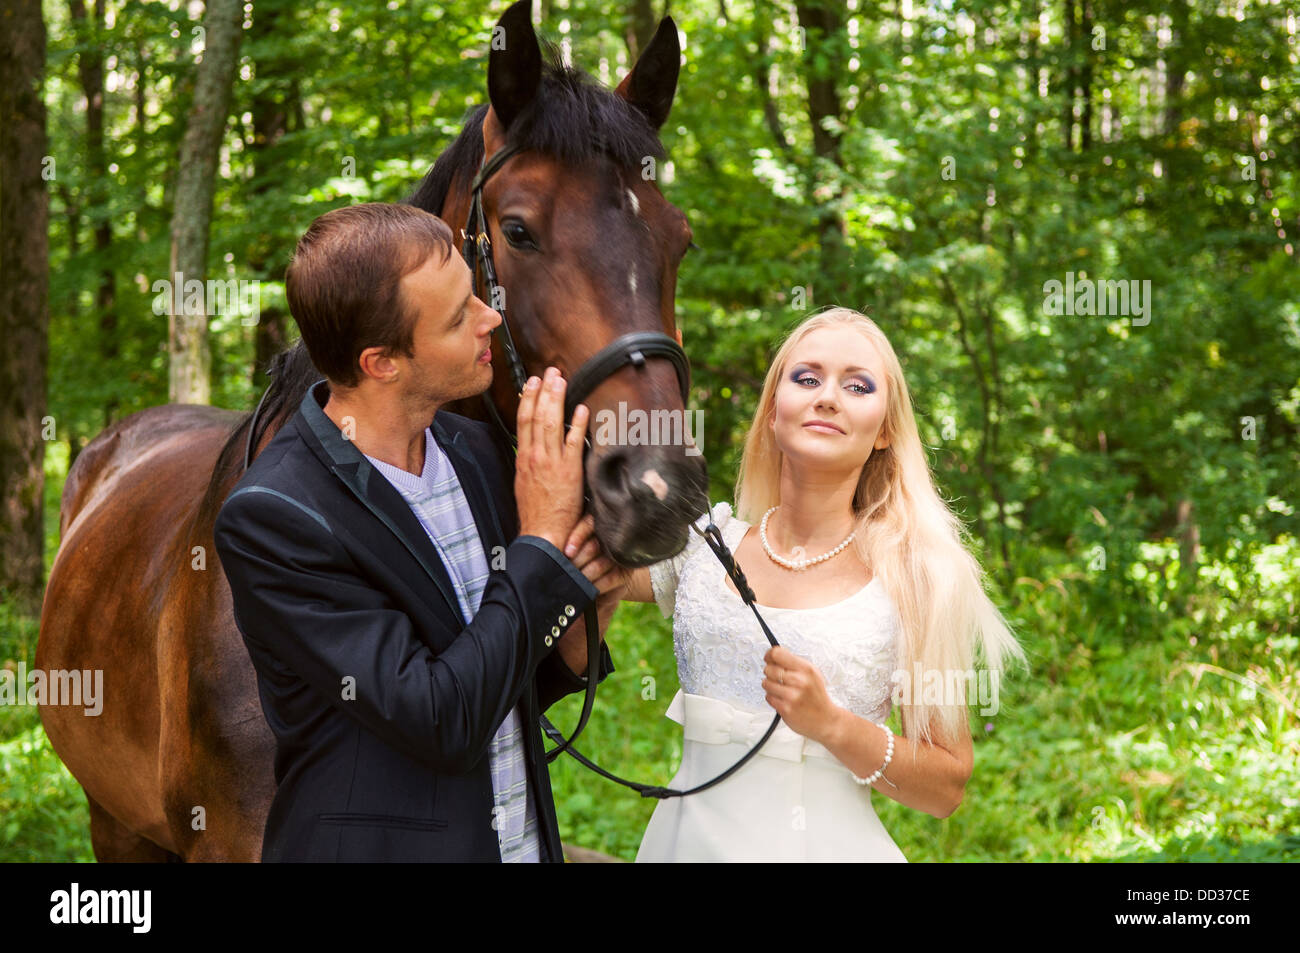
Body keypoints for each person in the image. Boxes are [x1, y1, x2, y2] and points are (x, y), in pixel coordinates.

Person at [214, 202, 622, 862]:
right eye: (461, 315)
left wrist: (580, 619)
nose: (492, 317)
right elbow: (441, 719)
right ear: (382, 363)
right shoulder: (276, 516)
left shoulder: (479, 451)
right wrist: (542, 543)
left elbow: (497, 687)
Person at [583, 306, 1026, 861]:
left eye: (857, 386)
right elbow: (582, 565)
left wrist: (832, 725)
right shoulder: (703, 544)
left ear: (885, 430)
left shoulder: (916, 579)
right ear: (773, 411)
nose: (827, 397)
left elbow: (945, 787)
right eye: (807, 378)